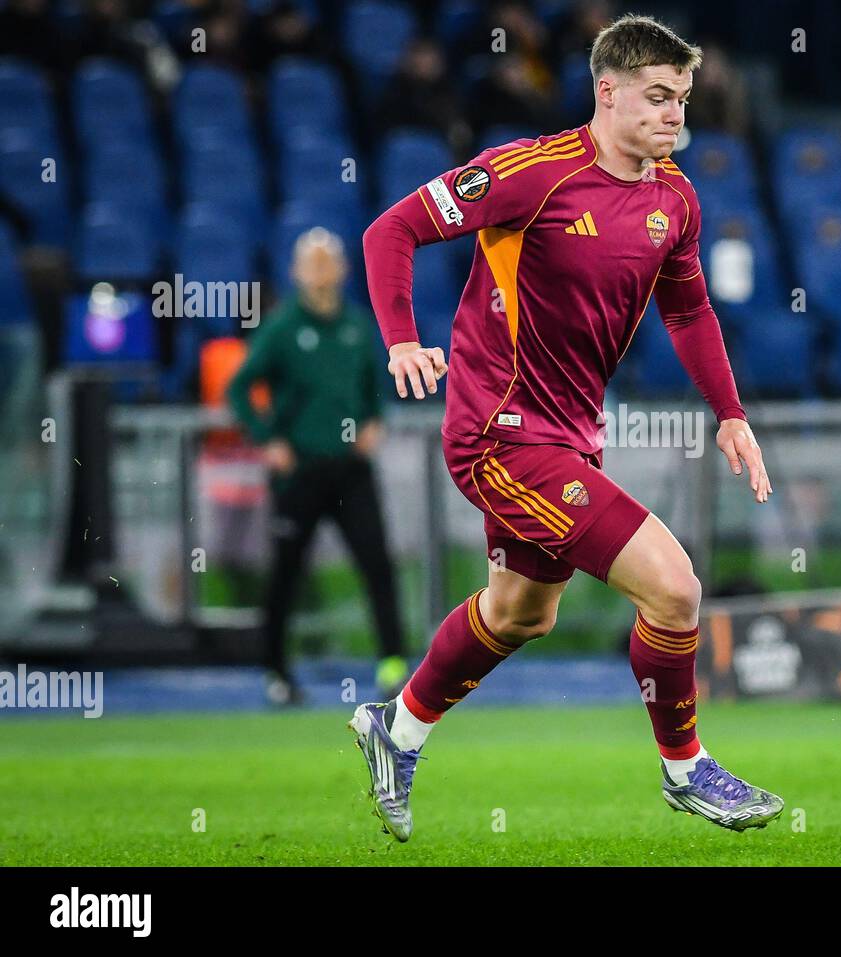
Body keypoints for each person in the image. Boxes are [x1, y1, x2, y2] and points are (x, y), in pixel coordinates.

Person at [356, 14, 780, 841]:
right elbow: (391, 230)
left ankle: (395, 730)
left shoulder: (675, 199)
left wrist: (729, 413)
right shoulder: (530, 172)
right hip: (499, 434)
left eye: (683, 98)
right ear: (608, 91)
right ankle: (687, 769)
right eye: (658, 97)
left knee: (520, 613)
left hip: (569, 433)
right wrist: (404, 339)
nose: (674, 115)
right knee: (676, 586)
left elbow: (689, 310)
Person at [227, 229, 407, 706]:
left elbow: (375, 384)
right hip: (300, 470)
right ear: (296, 272)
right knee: (285, 572)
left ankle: (393, 666)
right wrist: (269, 440)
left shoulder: (356, 325)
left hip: (350, 469)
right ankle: (276, 672)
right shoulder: (283, 329)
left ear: (344, 270)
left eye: (330, 262)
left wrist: (375, 421)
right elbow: (240, 387)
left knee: (378, 566)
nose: (322, 272)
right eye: (314, 263)